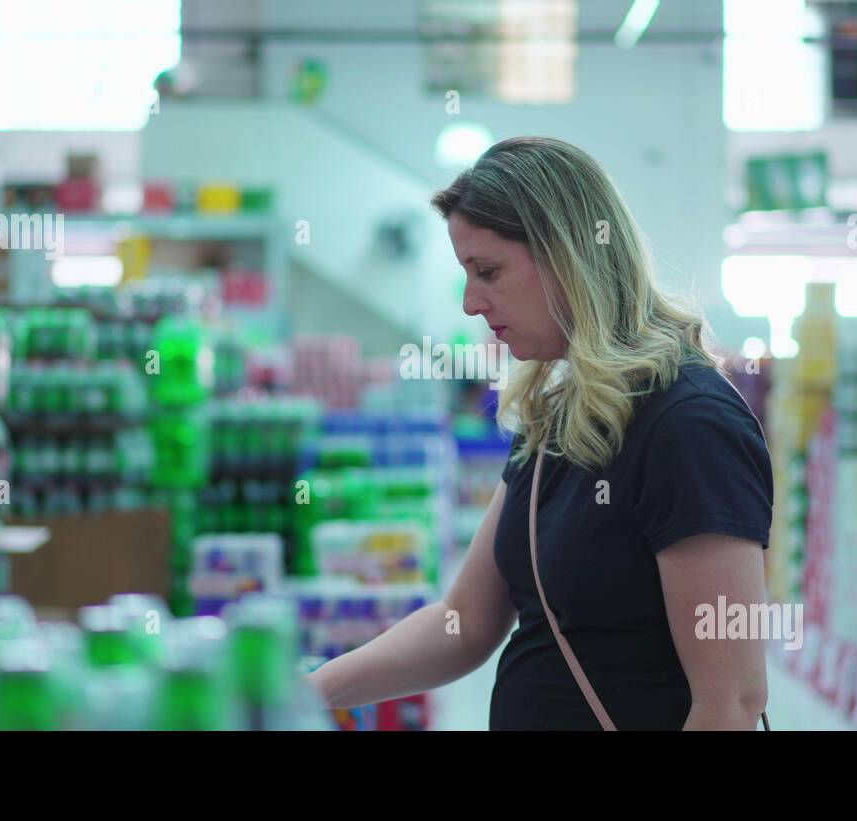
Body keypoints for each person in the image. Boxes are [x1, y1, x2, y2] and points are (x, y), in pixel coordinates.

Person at [306, 136, 773, 730]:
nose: (472, 302)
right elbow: (465, 621)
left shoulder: (690, 423)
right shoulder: (561, 412)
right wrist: (308, 691)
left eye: (489, 272)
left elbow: (732, 700)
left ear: (567, 256)